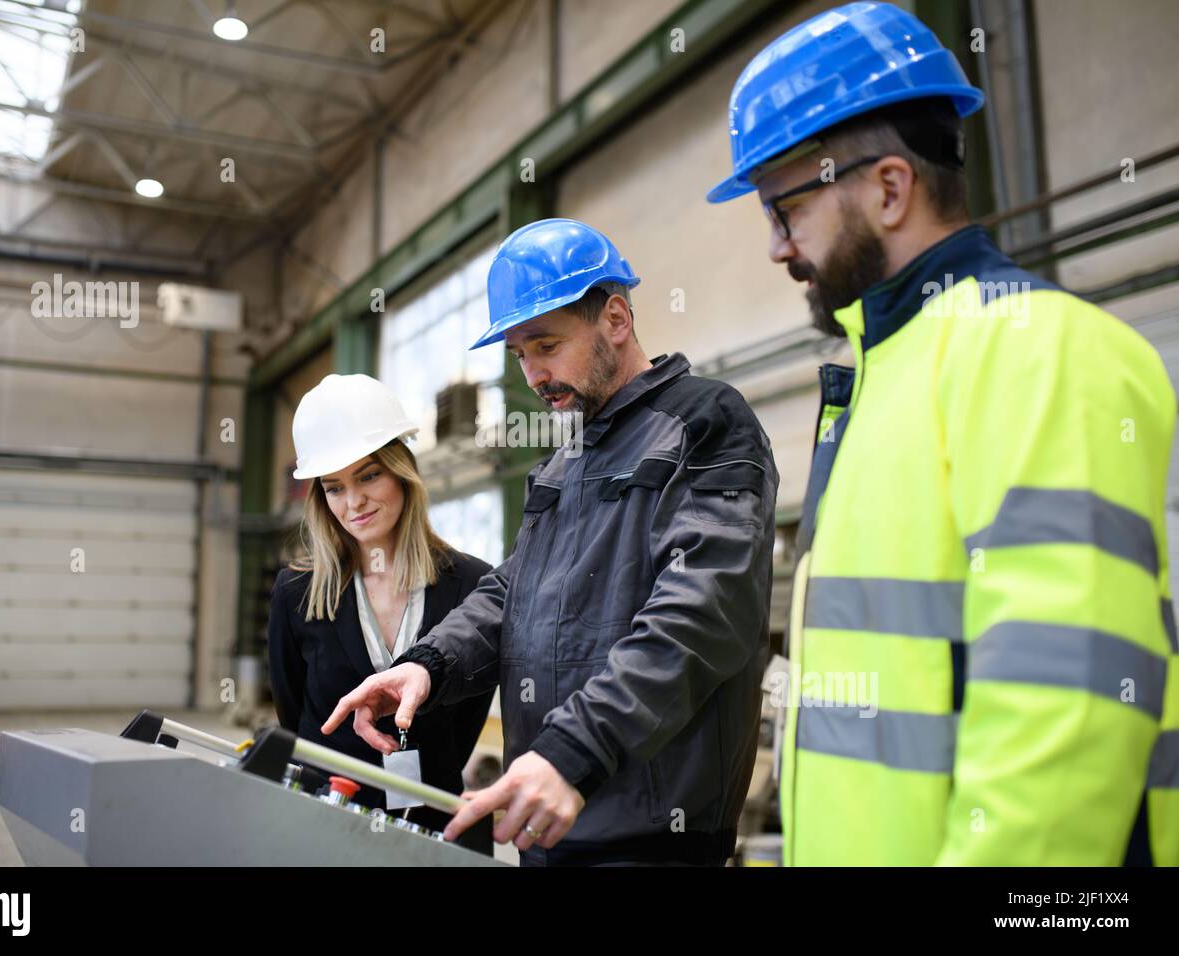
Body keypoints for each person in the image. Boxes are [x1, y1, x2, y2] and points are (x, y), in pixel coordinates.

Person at [706, 1, 1178, 865]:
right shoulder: (879, 378)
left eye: (785, 210)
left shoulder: (1036, 348)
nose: (777, 248)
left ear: (888, 187)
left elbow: (1065, 709)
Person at [324, 218, 778, 866]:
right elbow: (511, 591)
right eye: (519, 356)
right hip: (546, 817)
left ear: (615, 318)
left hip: (650, 839)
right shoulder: (563, 465)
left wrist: (574, 751)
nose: (534, 375)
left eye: (546, 346)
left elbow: (703, 615)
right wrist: (429, 664)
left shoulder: (705, 424)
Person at [267, 373, 495, 854]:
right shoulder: (297, 591)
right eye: (334, 488)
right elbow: (293, 710)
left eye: (369, 475)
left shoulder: (473, 583)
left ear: (402, 471)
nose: (354, 503)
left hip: (432, 817)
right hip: (323, 819)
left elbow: (471, 704)